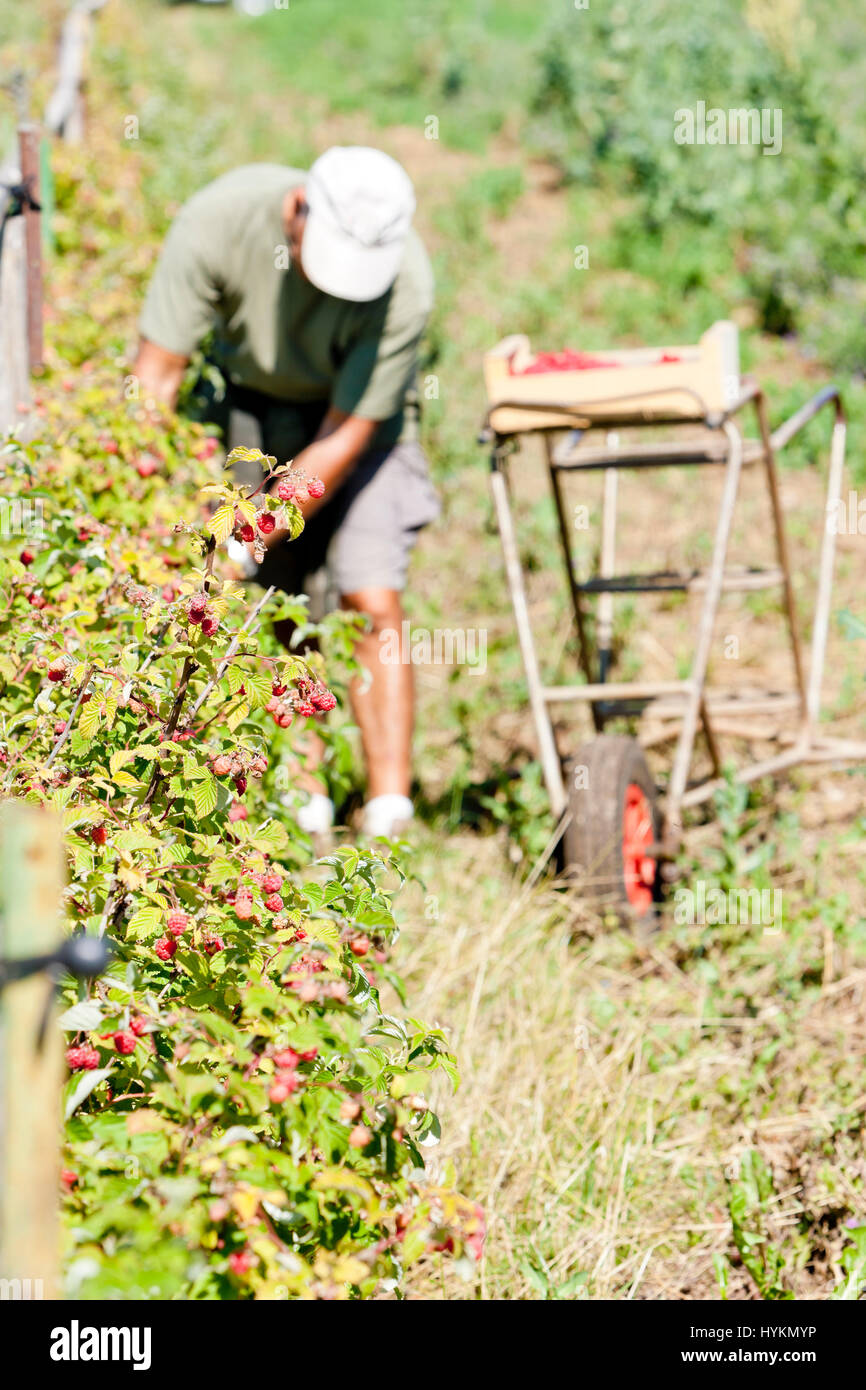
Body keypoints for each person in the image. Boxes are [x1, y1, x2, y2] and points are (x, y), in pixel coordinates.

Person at [133, 146, 439, 839]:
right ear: (298, 210)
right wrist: (147, 498)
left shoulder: (406, 280)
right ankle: (303, 799)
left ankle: (389, 811)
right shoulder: (219, 221)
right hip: (254, 409)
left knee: (370, 596)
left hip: (361, 424)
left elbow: (342, 438)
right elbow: (155, 379)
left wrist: (246, 535)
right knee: (275, 604)